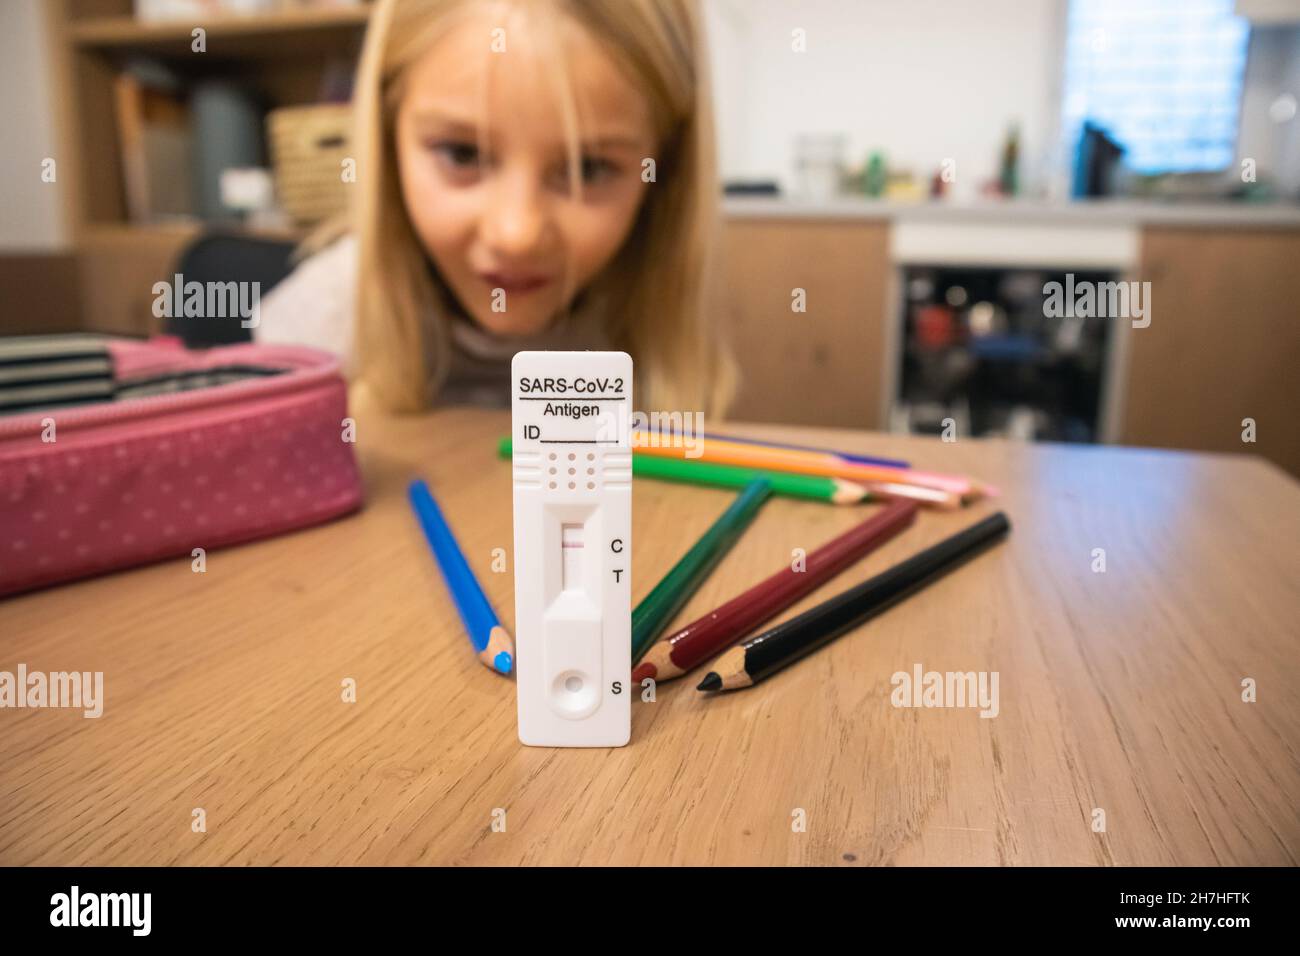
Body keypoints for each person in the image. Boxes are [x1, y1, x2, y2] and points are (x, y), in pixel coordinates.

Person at [260, 0, 735, 416]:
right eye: (463, 154)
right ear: (387, 137)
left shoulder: (648, 331)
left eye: (587, 168)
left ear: (666, 171)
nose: (517, 233)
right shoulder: (310, 332)